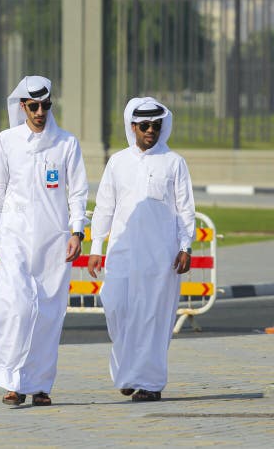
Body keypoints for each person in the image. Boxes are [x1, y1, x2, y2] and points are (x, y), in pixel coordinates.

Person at [0, 75, 89, 407]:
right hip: (14, 238)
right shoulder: (6, 141)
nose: (40, 112)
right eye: (34, 106)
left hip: (54, 241)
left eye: (45, 105)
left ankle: (39, 384)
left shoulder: (66, 143)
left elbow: (78, 192)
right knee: (17, 307)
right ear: (22, 106)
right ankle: (12, 382)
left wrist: (77, 232)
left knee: (49, 313)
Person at [87, 97, 195, 402]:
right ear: (132, 126)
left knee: (153, 318)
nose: (152, 131)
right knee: (116, 307)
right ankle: (128, 370)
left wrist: (186, 246)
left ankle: (149, 382)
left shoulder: (174, 162)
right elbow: (105, 205)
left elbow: (185, 209)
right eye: (145, 125)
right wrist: (96, 246)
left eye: (157, 125)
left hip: (161, 257)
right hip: (122, 252)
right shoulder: (118, 162)